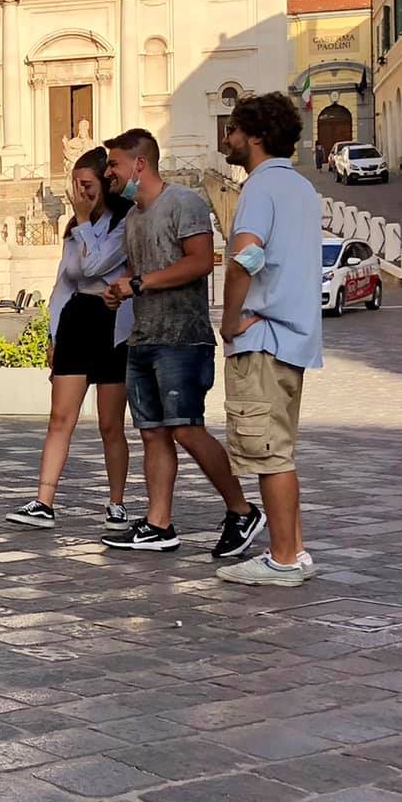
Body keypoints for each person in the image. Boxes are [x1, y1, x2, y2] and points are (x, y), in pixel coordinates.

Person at [100, 128, 262, 557]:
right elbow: (140, 274)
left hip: (182, 339)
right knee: (153, 433)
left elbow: (201, 262)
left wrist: (138, 282)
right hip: (145, 337)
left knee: (187, 429)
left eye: (114, 164)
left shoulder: (184, 203)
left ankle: (242, 509)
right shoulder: (133, 217)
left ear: (139, 164)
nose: (108, 173)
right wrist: (122, 294)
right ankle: (159, 524)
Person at [216, 94, 323, 587]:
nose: (227, 139)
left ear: (255, 136)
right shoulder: (302, 189)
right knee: (280, 449)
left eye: (234, 130)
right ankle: (294, 549)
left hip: (262, 337)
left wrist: (230, 318)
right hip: (294, 339)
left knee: (268, 453)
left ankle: (281, 558)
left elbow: (246, 256)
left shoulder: (259, 189)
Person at [6, 147, 131, 529]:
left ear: (105, 185)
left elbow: (97, 264)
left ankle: (116, 503)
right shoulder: (74, 230)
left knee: (111, 423)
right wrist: (53, 333)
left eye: (87, 185)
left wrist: (81, 219)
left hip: (113, 323)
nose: (80, 192)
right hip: (78, 319)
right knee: (60, 417)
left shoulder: (124, 225)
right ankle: (43, 500)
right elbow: (64, 282)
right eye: (75, 185)